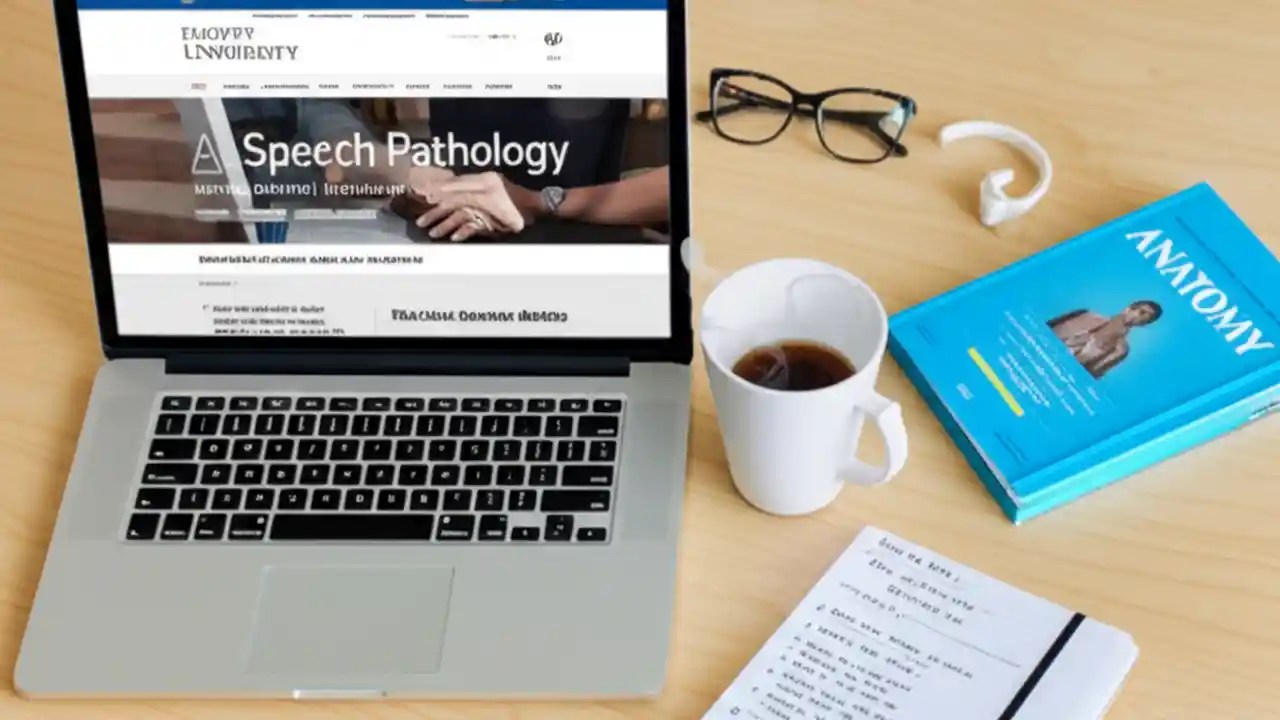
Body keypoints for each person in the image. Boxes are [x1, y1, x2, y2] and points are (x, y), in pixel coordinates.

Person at [1048, 300, 1163, 378]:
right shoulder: (1084, 314)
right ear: (1128, 309)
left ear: (1144, 324)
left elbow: (1089, 375)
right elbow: (1048, 326)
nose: (1140, 318)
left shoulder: (1121, 350)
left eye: (1148, 319)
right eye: (1141, 312)